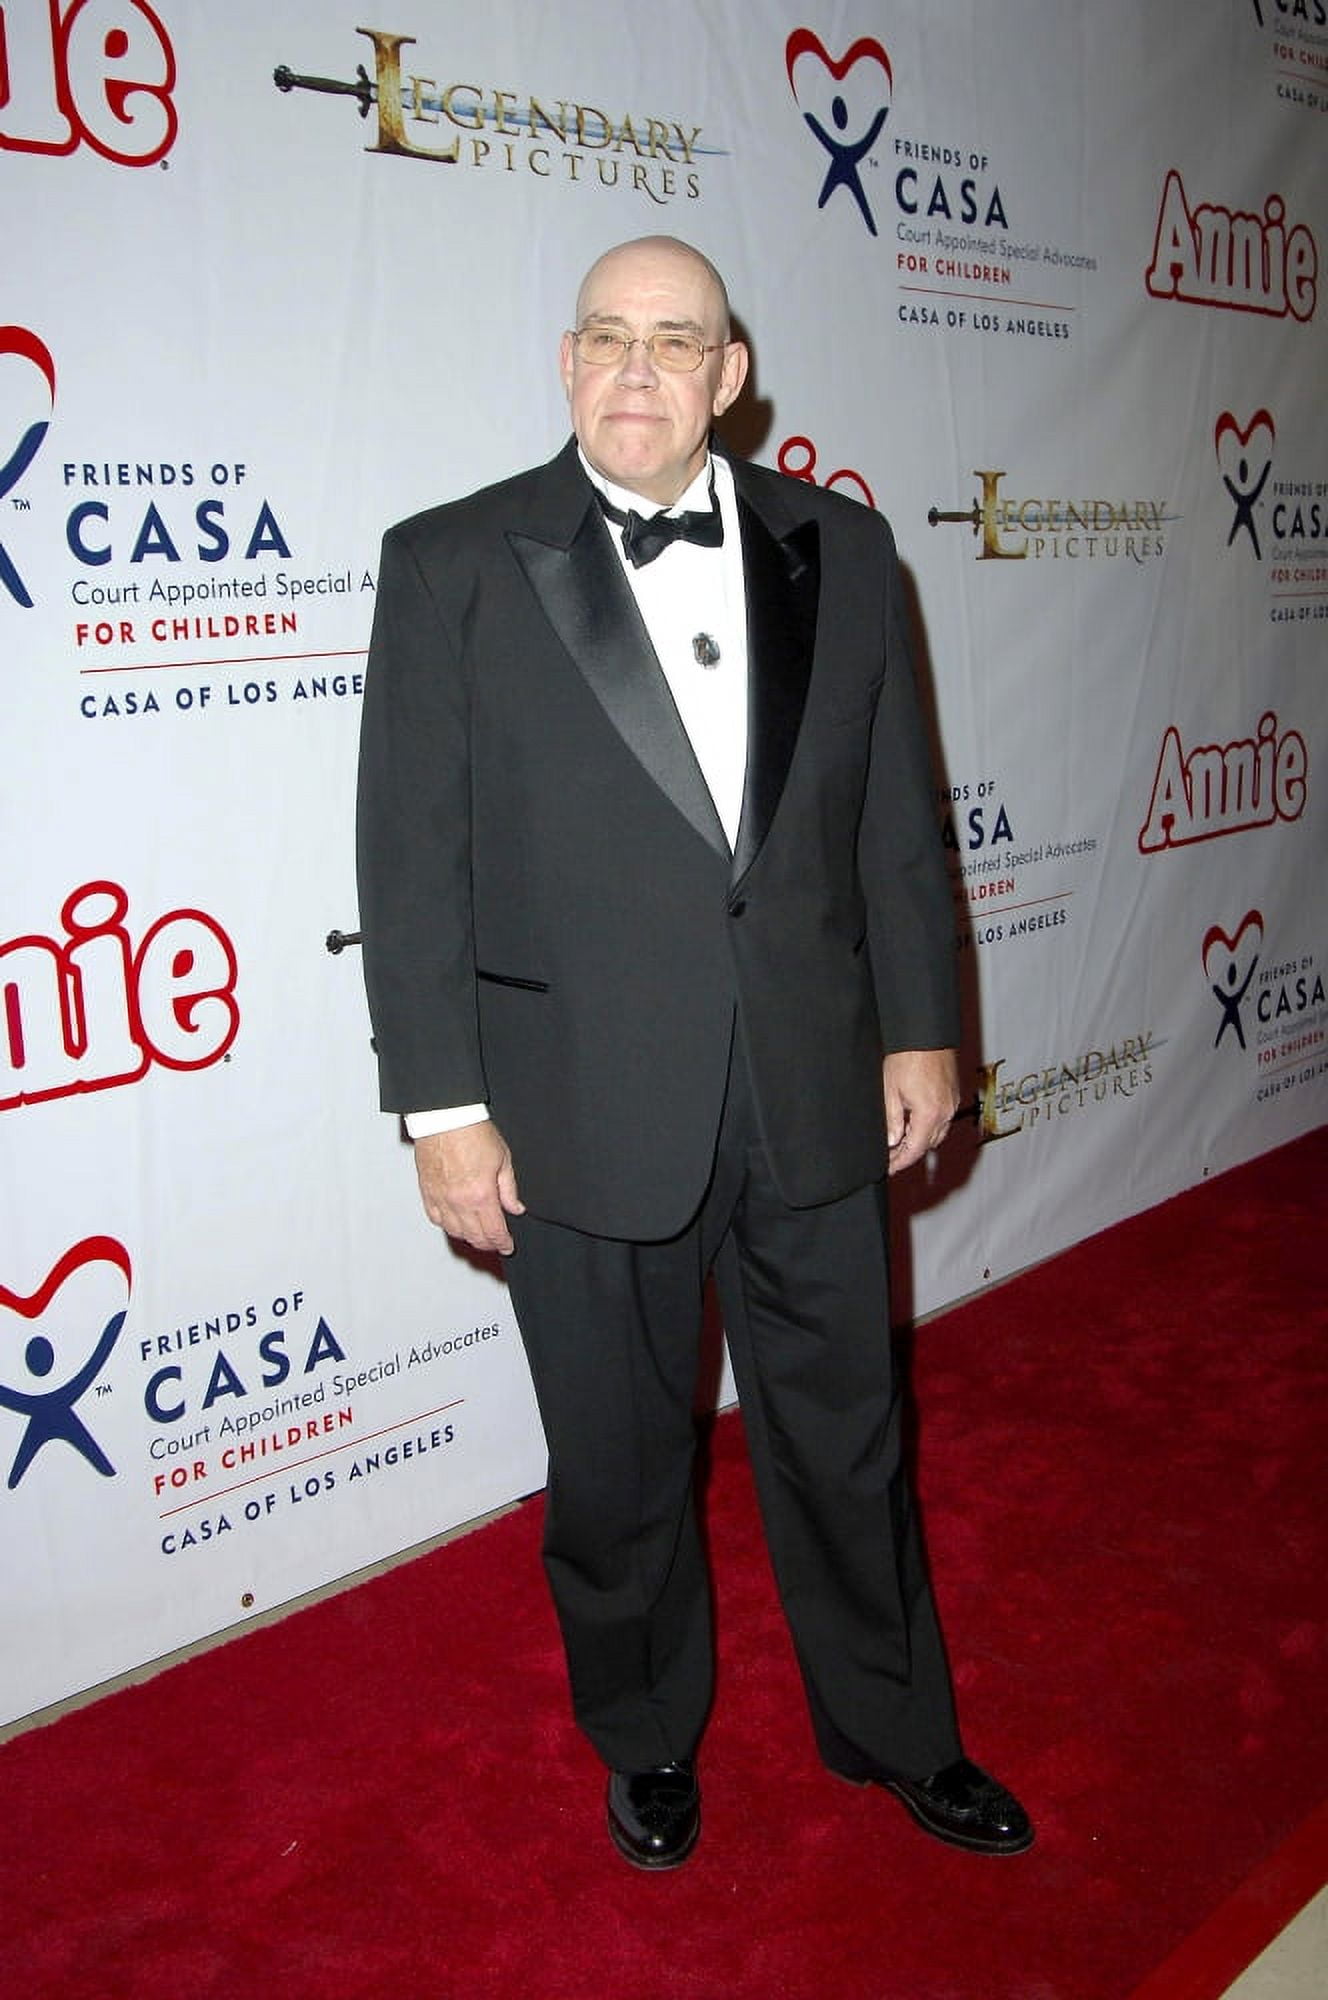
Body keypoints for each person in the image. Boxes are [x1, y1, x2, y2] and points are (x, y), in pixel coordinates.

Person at [356, 234, 1032, 1869]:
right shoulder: (453, 560)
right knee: (616, 1465)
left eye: (679, 341)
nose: (640, 369)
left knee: (848, 1435)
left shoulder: (846, 549)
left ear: (732, 377)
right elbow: (408, 856)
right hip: (573, 1107)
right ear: (567, 360)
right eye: (608, 336)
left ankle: (893, 1727)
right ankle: (646, 1735)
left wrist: (925, 1024)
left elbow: (891, 814)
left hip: (812, 1081)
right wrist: (442, 1111)